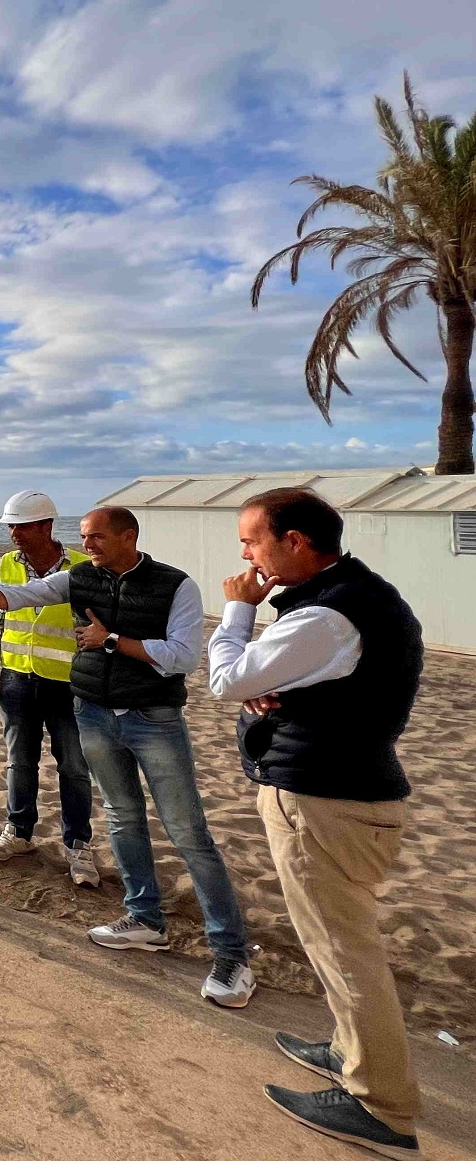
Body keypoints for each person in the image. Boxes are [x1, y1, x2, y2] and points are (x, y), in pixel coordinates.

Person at [0, 506, 257, 1009]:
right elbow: (24, 594)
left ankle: (231, 954)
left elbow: (184, 657)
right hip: (94, 714)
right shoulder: (81, 577)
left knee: (188, 832)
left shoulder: (175, 586)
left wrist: (112, 642)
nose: (88, 545)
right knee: (122, 818)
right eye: (85, 537)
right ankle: (145, 919)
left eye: (98, 537)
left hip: (153, 719)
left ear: (129, 537)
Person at [209, 488, 423, 1158]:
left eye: (252, 541)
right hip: (345, 796)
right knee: (338, 943)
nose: (246, 556)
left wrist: (239, 611)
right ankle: (349, 1051)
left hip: (325, 803)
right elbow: (286, 680)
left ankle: (381, 1107)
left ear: (296, 542)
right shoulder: (352, 599)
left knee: (343, 950)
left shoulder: (327, 616)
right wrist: (267, 685)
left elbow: (225, 679)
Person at [0, 490, 99, 887]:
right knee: (19, 761)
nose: (14, 533)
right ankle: (19, 832)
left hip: (69, 685)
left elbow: (97, 626)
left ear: (46, 526)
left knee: (74, 767)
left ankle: (77, 844)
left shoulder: (82, 568)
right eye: (11, 526)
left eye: (22, 526)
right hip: (16, 680)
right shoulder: (4, 565)